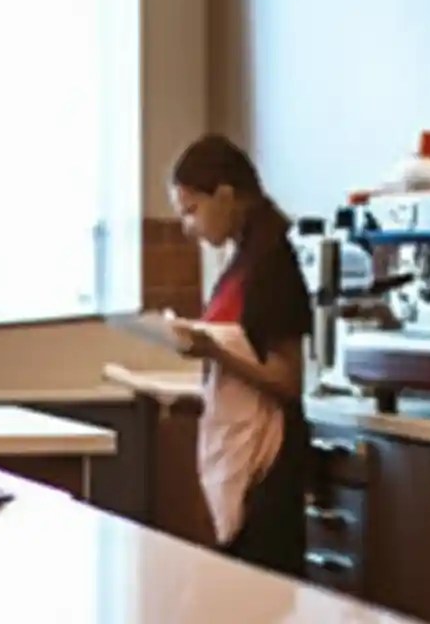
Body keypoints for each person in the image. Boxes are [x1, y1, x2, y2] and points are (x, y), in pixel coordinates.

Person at [168, 134, 313, 576]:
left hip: (269, 465)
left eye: (192, 210)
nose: (188, 227)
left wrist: (212, 349)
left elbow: (288, 379)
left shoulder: (272, 265)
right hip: (243, 455)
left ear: (226, 196)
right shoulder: (241, 262)